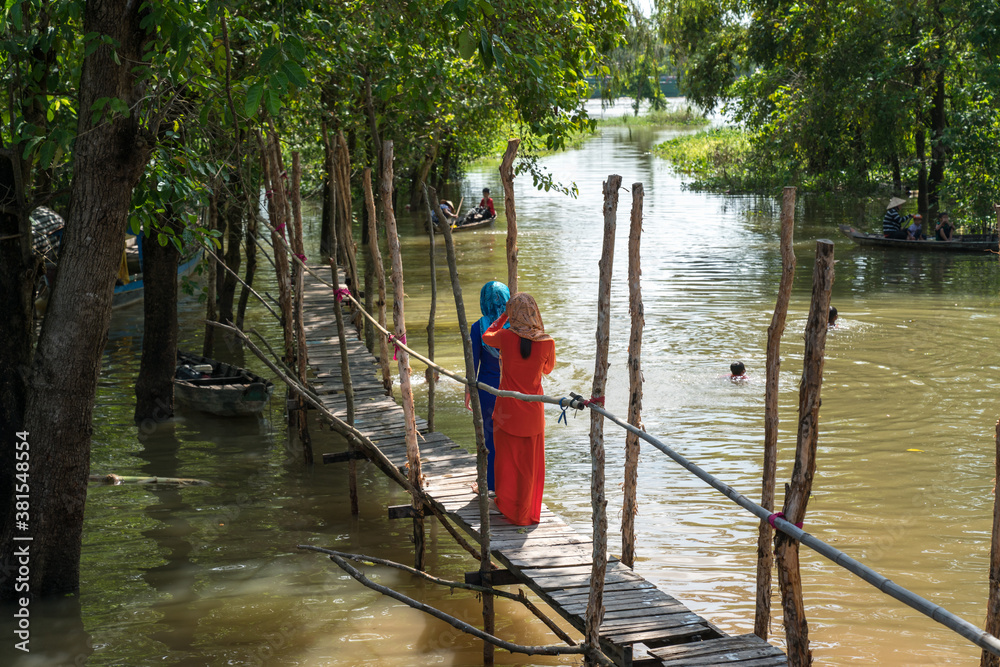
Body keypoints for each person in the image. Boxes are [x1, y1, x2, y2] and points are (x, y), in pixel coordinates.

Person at [482, 293, 556, 526]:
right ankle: (528, 512)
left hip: (507, 410)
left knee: (506, 462)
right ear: (535, 312)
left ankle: (507, 506)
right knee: (529, 465)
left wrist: (504, 315)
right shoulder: (547, 342)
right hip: (533, 413)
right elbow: (547, 370)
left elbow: (486, 336)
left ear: (513, 314)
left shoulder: (504, 336)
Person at [465, 281, 511, 493]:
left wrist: (468, 392)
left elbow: (473, 364)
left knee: (489, 437)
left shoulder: (478, 327)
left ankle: (490, 484)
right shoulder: (516, 328)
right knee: (510, 436)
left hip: (486, 391)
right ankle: (509, 483)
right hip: (511, 389)